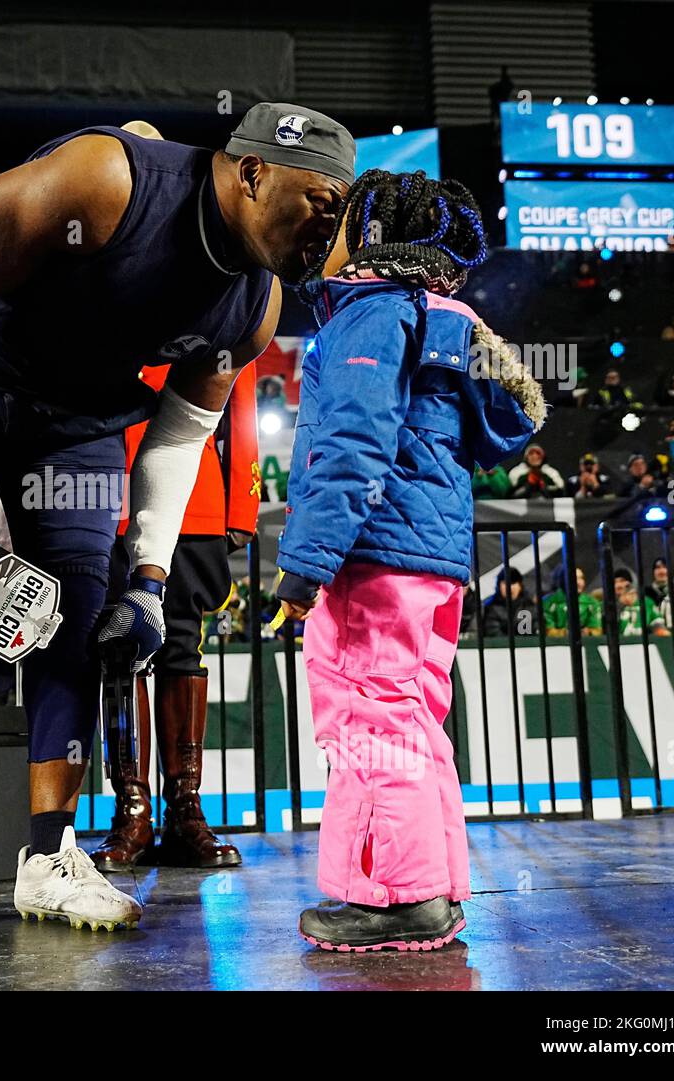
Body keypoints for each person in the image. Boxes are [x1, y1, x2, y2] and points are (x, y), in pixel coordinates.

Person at [0, 103, 357, 945]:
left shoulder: (252, 308)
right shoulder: (107, 180)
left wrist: (150, 580)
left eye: (340, 210)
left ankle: (48, 852)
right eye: (320, 200)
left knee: (76, 610)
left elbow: (180, 436)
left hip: (74, 415)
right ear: (252, 172)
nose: (329, 225)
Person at [273, 169, 544, 951]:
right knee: (411, 719)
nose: (328, 241)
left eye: (343, 226)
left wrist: (307, 562)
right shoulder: (442, 321)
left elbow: (353, 444)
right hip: (431, 560)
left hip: (373, 555)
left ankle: (396, 895)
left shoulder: (370, 313)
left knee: (369, 720)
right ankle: (433, 885)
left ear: (371, 238)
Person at [92, 354, 259, 872]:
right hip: (107, 487)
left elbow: (239, 400)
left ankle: (185, 809)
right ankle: (132, 810)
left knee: (182, 647)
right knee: (119, 653)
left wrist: (242, 505)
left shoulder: (219, 304)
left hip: (193, 494)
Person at [542, 566, 602, 637]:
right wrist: (566, 633)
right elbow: (548, 632)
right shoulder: (548, 602)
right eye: (574, 578)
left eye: (581, 578)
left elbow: (596, 631)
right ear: (562, 580)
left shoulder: (592, 602)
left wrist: (587, 632)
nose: (579, 582)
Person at [481, 567, 539, 637]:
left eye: (513, 583)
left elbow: (536, 633)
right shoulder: (490, 608)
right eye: (505, 583)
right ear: (499, 586)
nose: (510, 587)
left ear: (520, 586)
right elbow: (493, 635)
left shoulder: (530, 606)